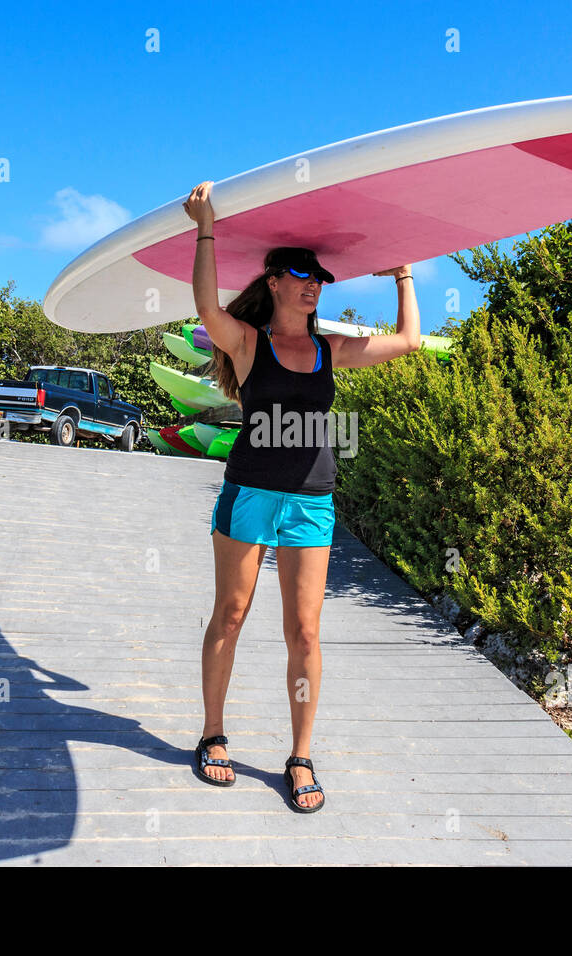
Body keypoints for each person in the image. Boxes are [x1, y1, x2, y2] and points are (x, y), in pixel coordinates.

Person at [183, 180, 420, 812]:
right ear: (275, 281)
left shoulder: (329, 349)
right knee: (229, 614)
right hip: (250, 493)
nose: (314, 282)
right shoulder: (249, 342)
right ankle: (212, 734)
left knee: (305, 632)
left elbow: (408, 342)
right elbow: (206, 306)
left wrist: (403, 275)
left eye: (320, 275)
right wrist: (206, 227)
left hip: (312, 501)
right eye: (301, 272)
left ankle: (301, 755)